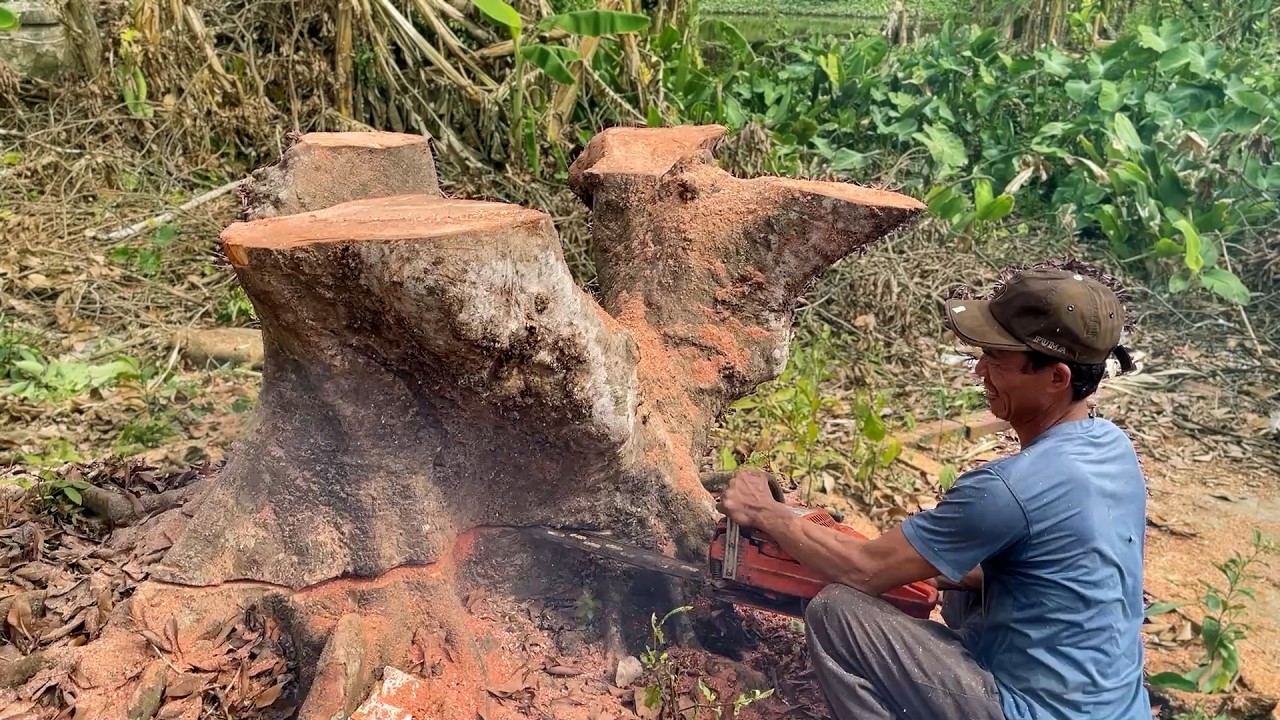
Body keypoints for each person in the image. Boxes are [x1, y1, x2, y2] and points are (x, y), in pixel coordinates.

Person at [717, 266, 1149, 720]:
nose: (981, 371)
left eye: (997, 360)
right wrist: (932, 566)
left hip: (1036, 710)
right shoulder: (1112, 450)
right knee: (960, 583)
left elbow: (863, 571)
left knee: (837, 612)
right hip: (1110, 706)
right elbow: (1062, 566)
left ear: (1057, 378)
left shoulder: (1008, 489)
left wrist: (765, 512)